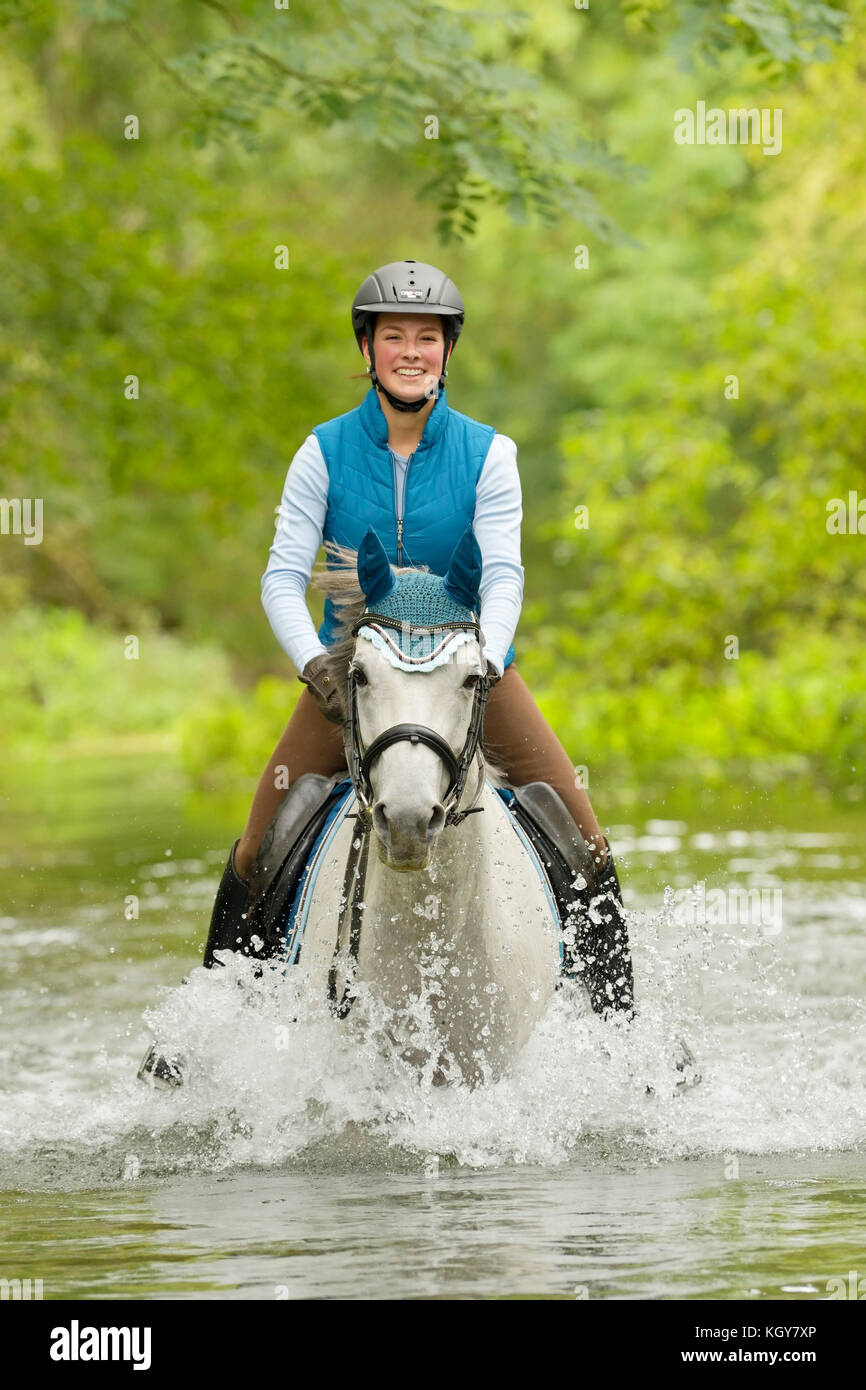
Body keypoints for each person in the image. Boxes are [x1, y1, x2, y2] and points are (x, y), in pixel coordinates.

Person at [205, 259, 632, 1013]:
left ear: (447, 351)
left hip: (468, 668)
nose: (410, 350)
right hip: (353, 674)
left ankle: (625, 1036)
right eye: (393, 335)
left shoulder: (490, 453)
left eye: (426, 338)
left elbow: (503, 573)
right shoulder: (323, 451)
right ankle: (207, 1032)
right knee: (256, 846)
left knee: (586, 839)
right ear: (366, 351)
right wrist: (317, 666)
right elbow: (281, 577)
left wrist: (490, 659)